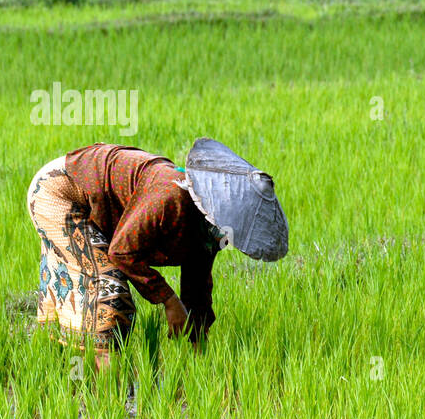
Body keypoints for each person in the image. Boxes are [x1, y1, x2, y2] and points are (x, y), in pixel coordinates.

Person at [26, 138, 287, 367]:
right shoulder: (171, 197)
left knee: (103, 287)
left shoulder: (212, 227)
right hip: (62, 190)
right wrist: (169, 301)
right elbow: (123, 252)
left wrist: (198, 342)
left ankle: (89, 375)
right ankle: (105, 389)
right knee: (110, 290)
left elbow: (197, 281)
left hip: (96, 204)